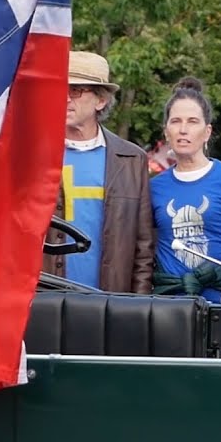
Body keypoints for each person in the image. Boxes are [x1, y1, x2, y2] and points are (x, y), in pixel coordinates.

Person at [44, 51, 154, 293]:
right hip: (44, 301)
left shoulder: (131, 160)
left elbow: (143, 248)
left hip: (107, 303)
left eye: (75, 91)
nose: (64, 99)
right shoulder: (33, 154)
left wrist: (137, 305)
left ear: (101, 100)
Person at [151, 77, 221, 303]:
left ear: (207, 131)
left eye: (192, 121)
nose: (183, 130)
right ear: (166, 131)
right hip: (169, 306)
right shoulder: (153, 188)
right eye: (176, 121)